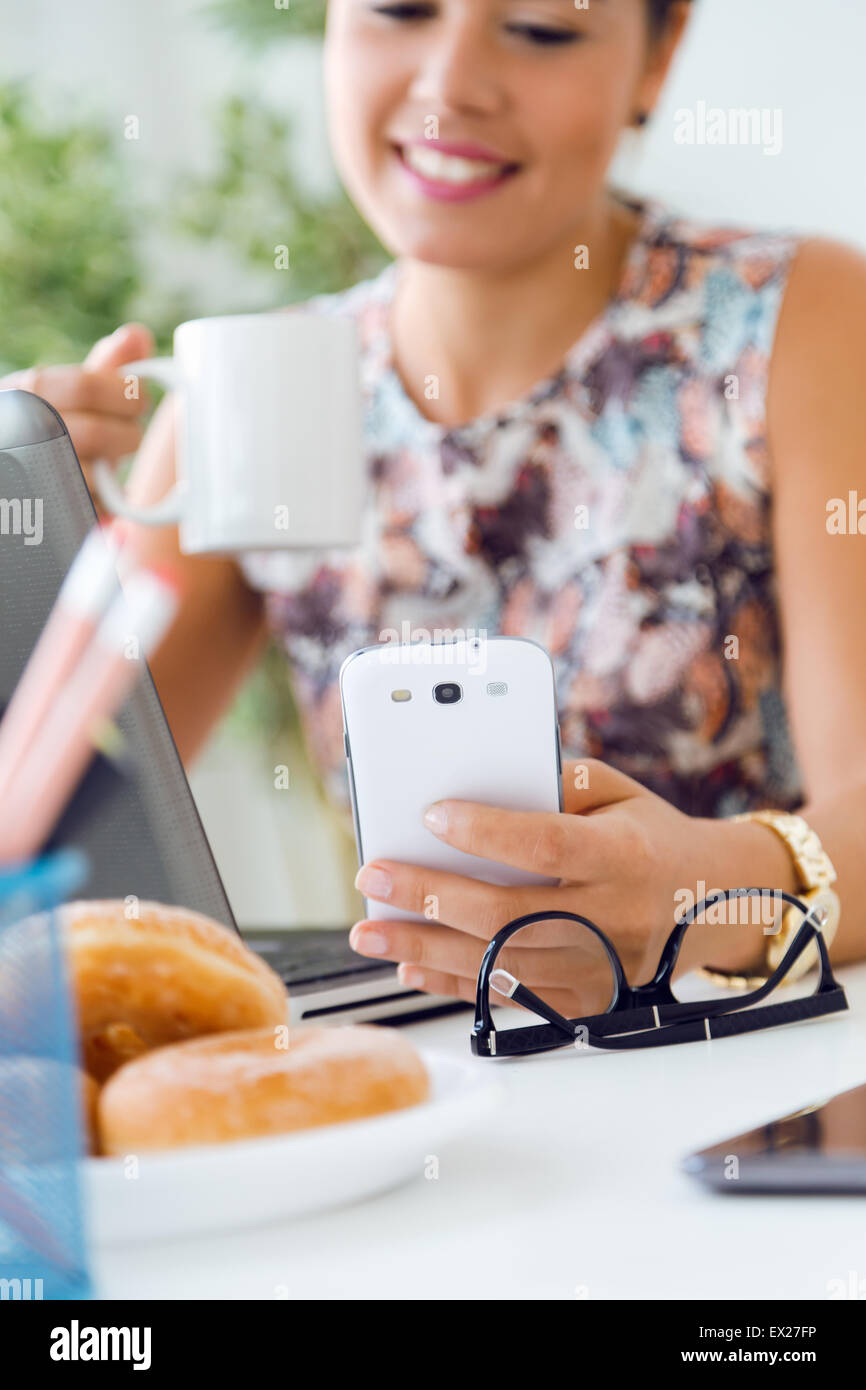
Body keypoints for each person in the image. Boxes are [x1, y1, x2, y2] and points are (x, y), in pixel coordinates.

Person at [6, 0, 866, 1014]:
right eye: (396, 10)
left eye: (541, 28)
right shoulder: (249, 396)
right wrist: (27, 538)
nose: (450, 83)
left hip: (741, 1061)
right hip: (428, 1068)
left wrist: (702, 894)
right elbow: (53, 833)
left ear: (657, 55)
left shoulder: (794, 316)